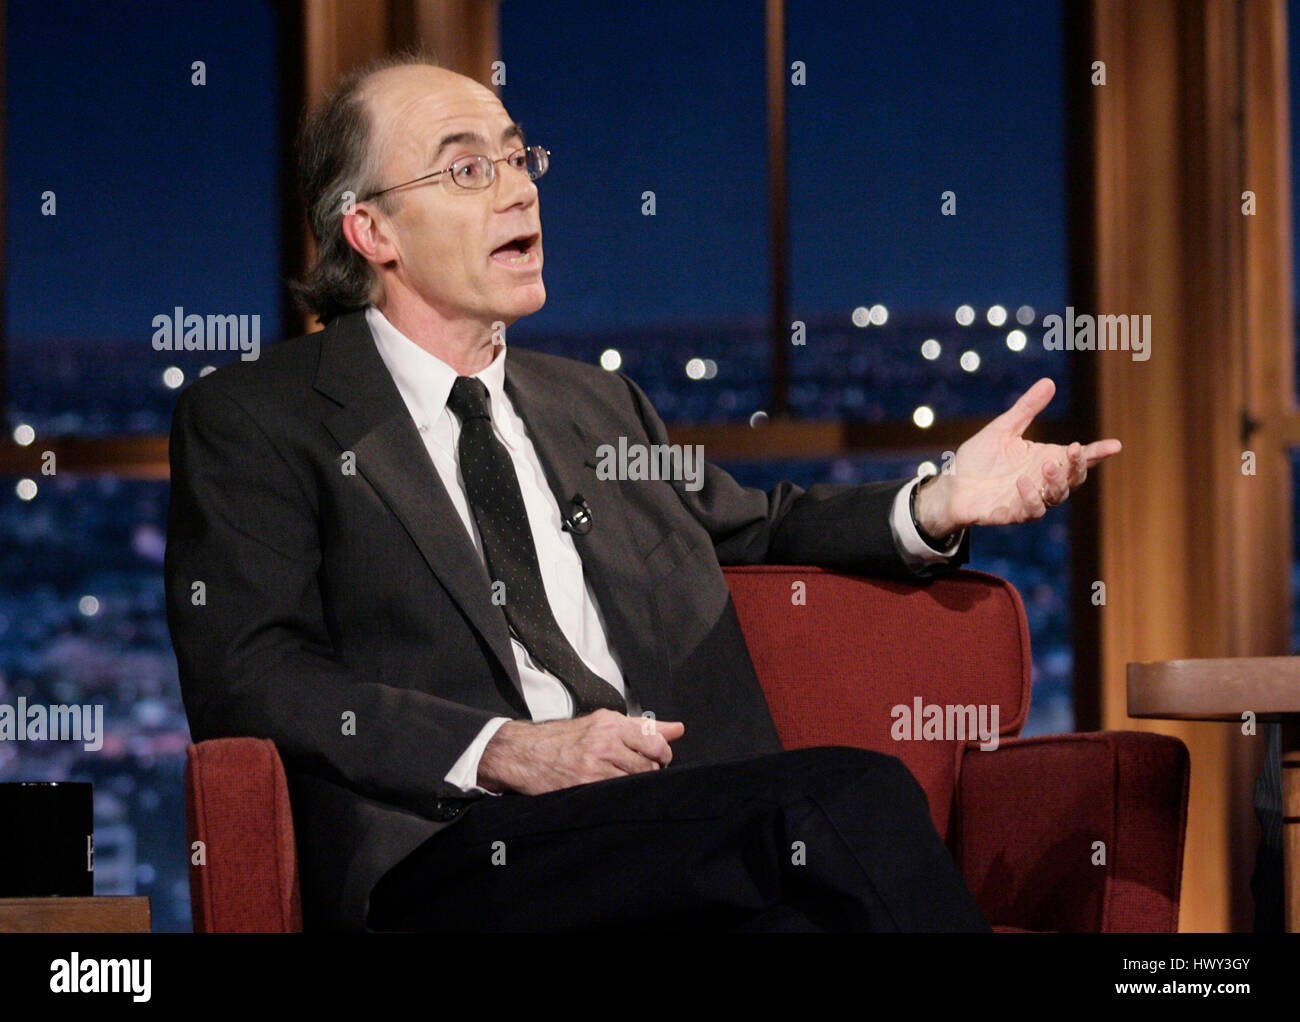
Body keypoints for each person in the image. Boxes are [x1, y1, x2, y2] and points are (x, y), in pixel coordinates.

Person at [164, 53, 1121, 932]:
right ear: (369, 229)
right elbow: (249, 672)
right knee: (846, 800)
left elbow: (756, 525)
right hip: (458, 857)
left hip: (664, 831)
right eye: (467, 170)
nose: (520, 188)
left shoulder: (597, 407)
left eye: (517, 156)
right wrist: (504, 747)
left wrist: (938, 501)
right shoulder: (261, 418)